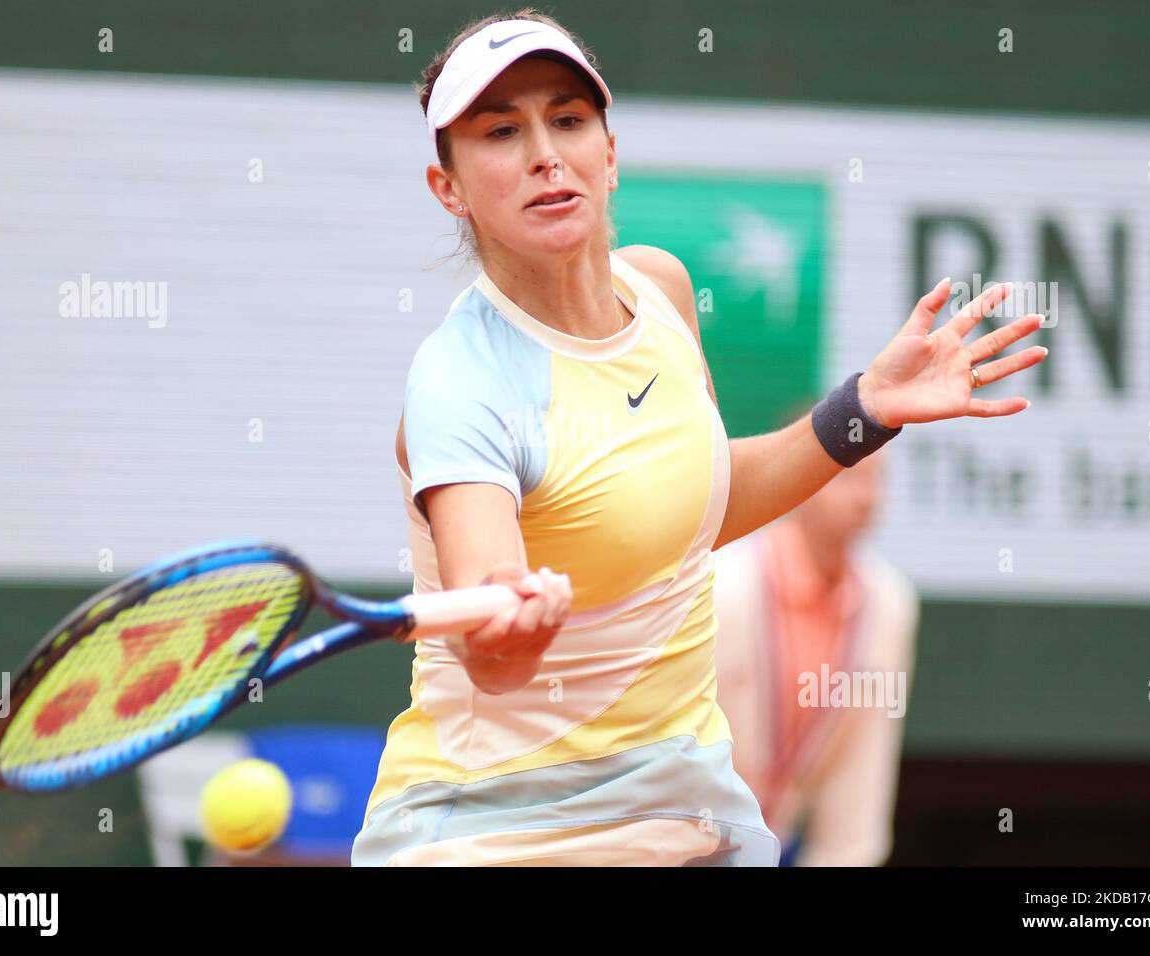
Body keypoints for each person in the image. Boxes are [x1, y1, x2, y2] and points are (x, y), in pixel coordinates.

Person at [350, 8, 1046, 866]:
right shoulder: (460, 383)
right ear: (447, 186)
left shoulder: (661, 292)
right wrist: (510, 628)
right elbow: (486, 632)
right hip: (501, 833)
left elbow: (696, 512)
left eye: (567, 120)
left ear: (610, 153)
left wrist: (864, 408)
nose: (544, 152)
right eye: (500, 131)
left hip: (684, 814)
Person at [712, 446, 917, 866]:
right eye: (849, 478)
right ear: (800, 484)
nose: (867, 497)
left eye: (877, 478)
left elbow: (864, 770)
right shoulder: (724, 583)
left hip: (781, 847)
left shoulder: (890, 605)